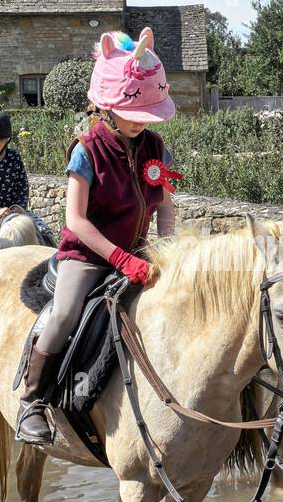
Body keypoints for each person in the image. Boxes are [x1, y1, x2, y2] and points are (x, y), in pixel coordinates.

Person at [16, 27, 179, 444]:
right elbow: (75, 220)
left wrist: (166, 249)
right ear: (107, 106)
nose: (144, 123)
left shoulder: (156, 146)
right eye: (136, 114)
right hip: (87, 255)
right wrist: (120, 259)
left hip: (141, 252)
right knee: (66, 313)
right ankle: (32, 401)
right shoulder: (86, 149)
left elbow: (165, 204)